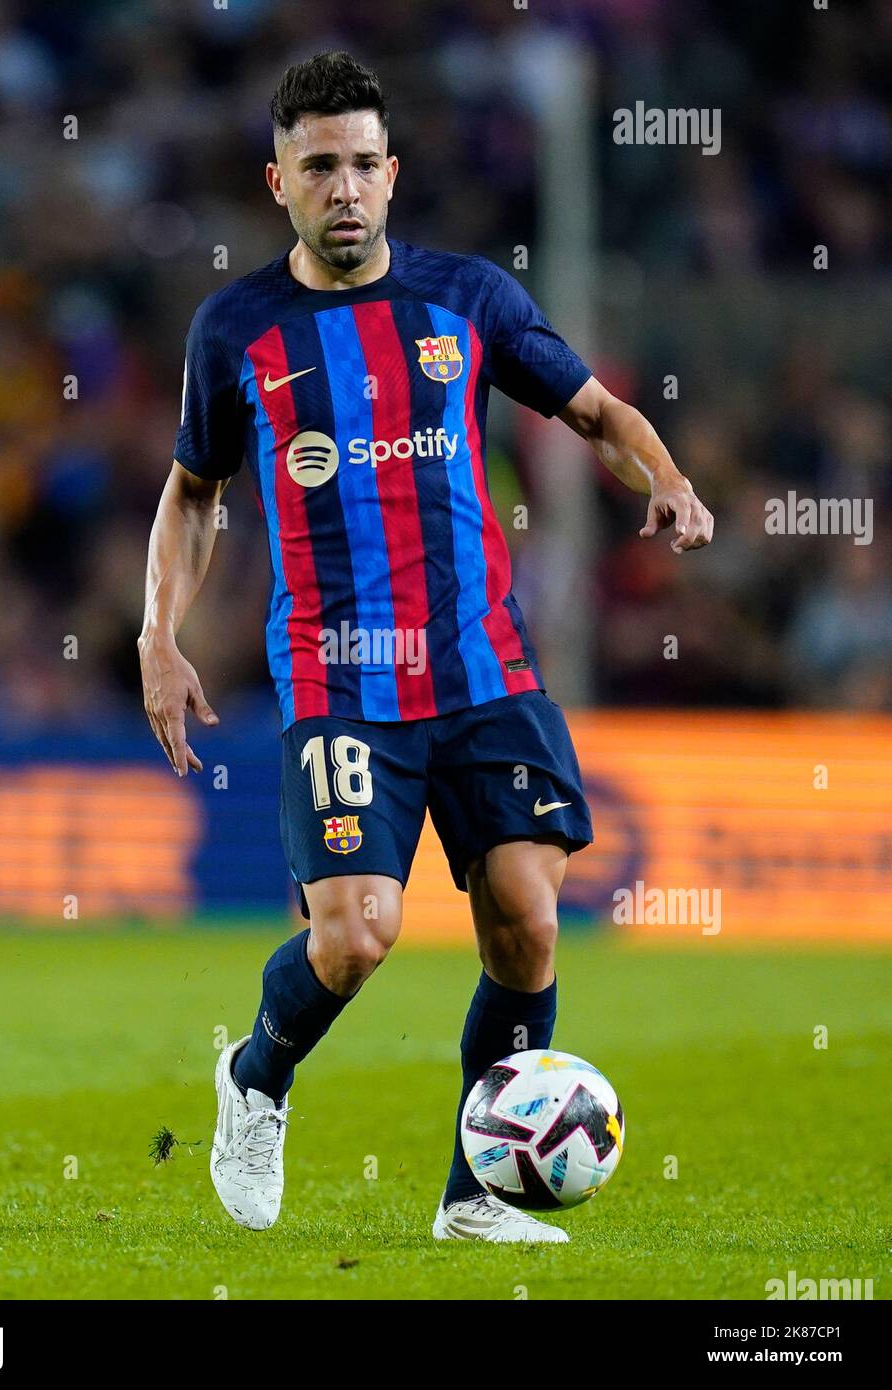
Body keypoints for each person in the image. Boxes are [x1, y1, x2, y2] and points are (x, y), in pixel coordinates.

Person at [139, 51, 713, 1244]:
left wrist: (662, 477)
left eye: (359, 165)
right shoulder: (235, 329)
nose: (341, 188)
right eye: (316, 169)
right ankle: (255, 1077)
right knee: (354, 935)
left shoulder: (467, 302)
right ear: (278, 183)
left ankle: (474, 1198)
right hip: (336, 677)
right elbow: (192, 493)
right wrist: (159, 633)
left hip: (480, 666)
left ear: (390, 175)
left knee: (527, 921)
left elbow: (597, 411)